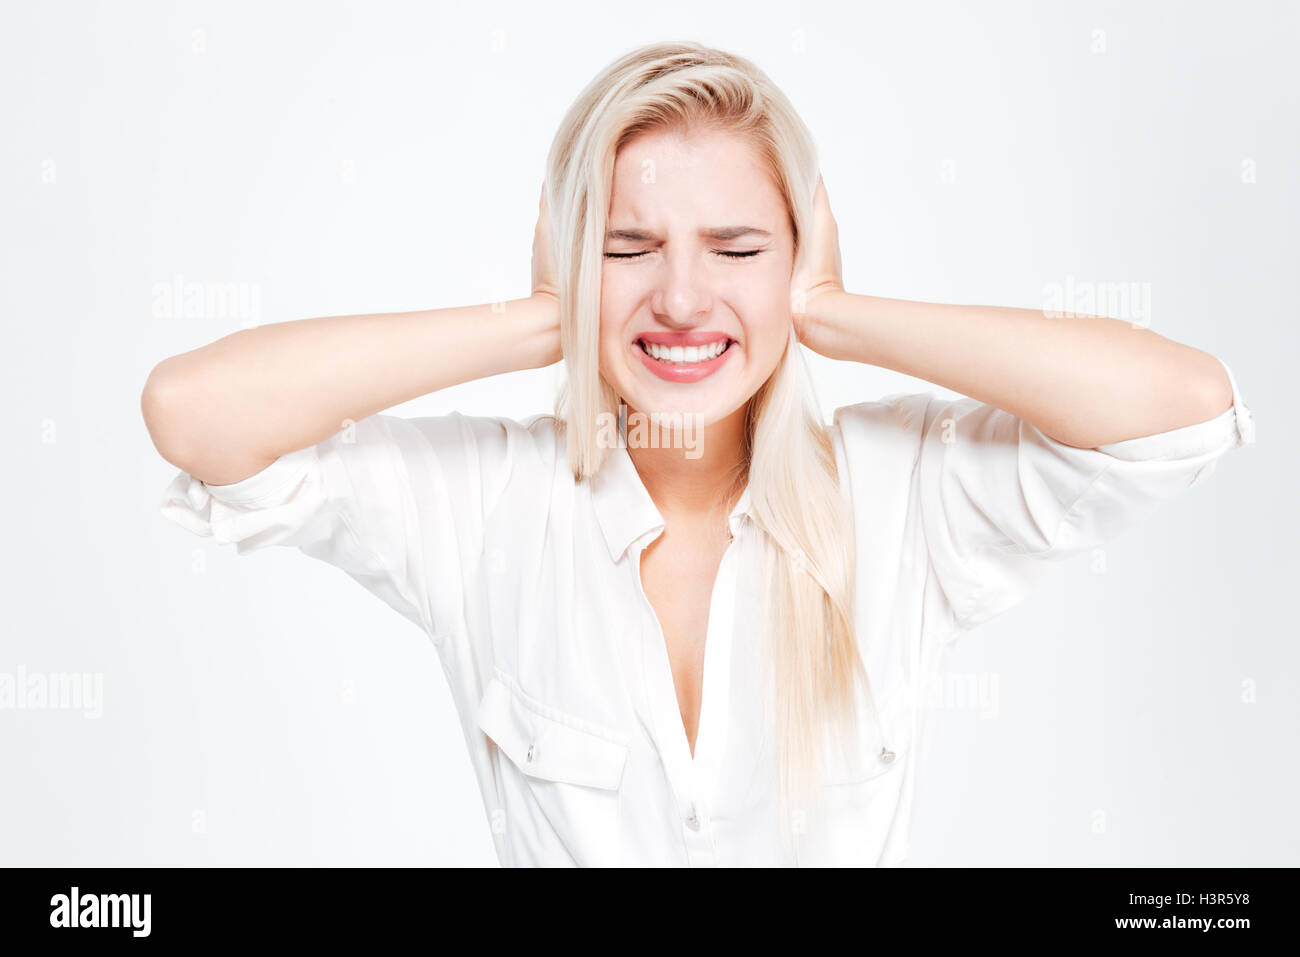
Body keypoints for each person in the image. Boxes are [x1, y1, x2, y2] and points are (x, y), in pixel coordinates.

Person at [142, 41, 1255, 867]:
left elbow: (1181, 408)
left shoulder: (900, 494)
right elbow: (195, 412)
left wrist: (833, 312)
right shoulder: (483, 505)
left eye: (737, 247)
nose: (679, 297)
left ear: (798, 252)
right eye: (627, 247)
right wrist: (543, 316)